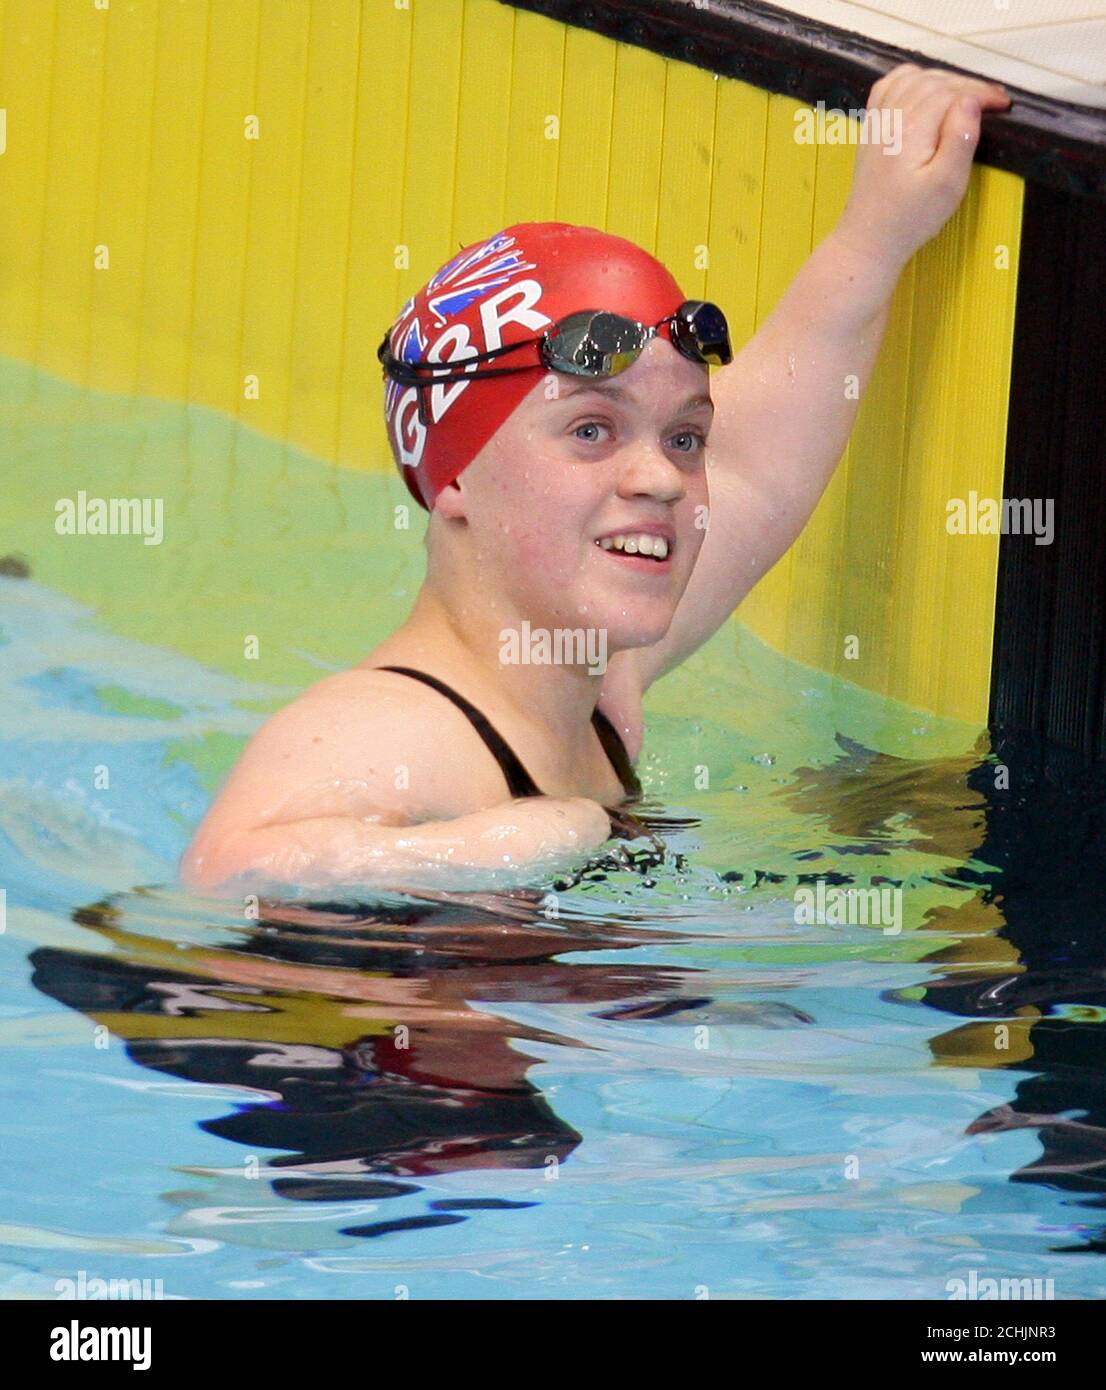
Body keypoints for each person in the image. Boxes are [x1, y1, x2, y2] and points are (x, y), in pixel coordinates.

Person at [180, 64, 1010, 897]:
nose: (662, 479)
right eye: (591, 430)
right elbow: (226, 870)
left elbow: (757, 468)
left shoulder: (597, 692)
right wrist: (494, 846)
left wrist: (876, 233)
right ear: (456, 475)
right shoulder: (386, 732)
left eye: (685, 437)